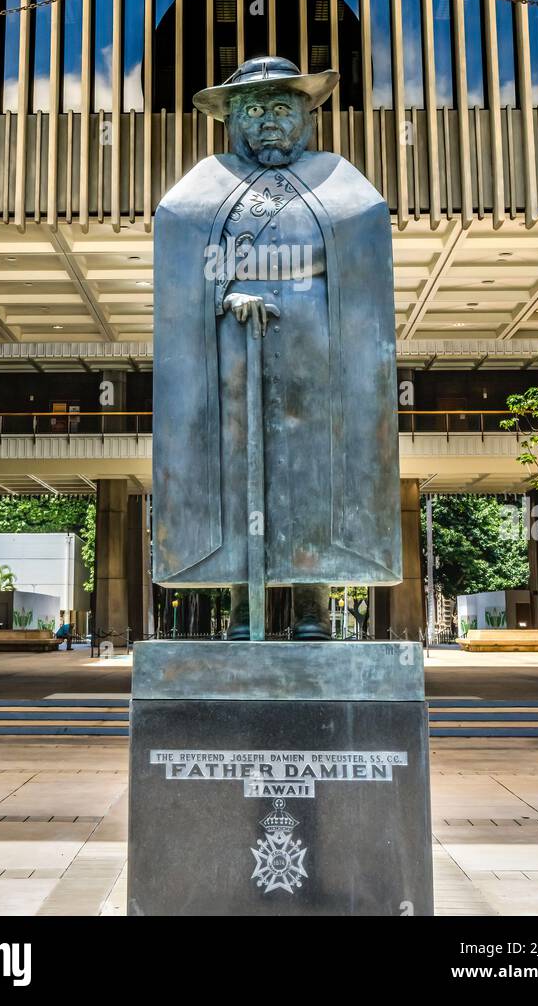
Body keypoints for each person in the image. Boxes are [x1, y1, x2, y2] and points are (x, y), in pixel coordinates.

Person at [152, 56, 400, 640]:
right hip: (235, 368)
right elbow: (185, 273)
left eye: (283, 109)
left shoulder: (338, 178)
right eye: (256, 110)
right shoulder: (205, 184)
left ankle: (314, 606)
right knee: (239, 480)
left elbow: (362, 266)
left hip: (318, 366)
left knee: (314, 480)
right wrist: (227, 299)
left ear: (306, 116)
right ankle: (244, 606)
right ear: (233, 119)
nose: (271, 123)